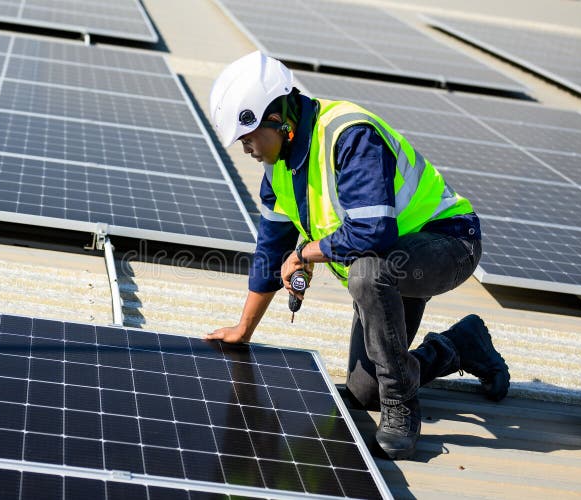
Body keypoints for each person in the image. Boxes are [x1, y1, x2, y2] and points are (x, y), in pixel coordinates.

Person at [205, 51, 509, 460]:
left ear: (280, 120)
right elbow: (269, 252)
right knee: (366, 392)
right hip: (392, 265)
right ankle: (460, 345)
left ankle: (403, 410)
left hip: (448, 243)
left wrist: (306, 252)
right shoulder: (277, 171)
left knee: (367, 272)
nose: (247, 149)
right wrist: (244, 329)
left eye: (248, 137)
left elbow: (373, 232)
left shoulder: (350, 135)